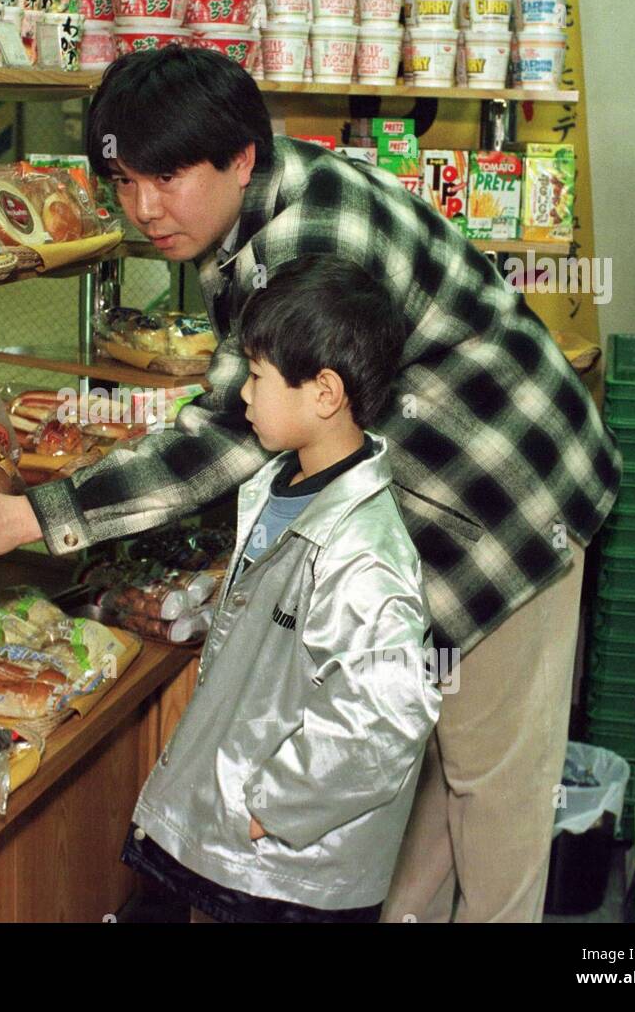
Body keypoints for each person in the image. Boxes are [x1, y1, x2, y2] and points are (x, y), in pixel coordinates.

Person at [0, 46, 623, 923]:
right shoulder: (254, 209)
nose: (142, 209)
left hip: (509, 503)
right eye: (123, 182)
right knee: (418, 777)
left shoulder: (311, 239)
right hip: (413, 514)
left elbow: (231, 436)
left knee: (490, 792)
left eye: (165, 178)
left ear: (241, 156)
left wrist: (36, 513)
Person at [121, 258, 441, 923]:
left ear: (324, 392)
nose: (242, 393)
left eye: (259, 375)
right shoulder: (282, 486)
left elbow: (389, 710)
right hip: (253, 853)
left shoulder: (363, 552)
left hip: (293, 872)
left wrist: (272, 805)